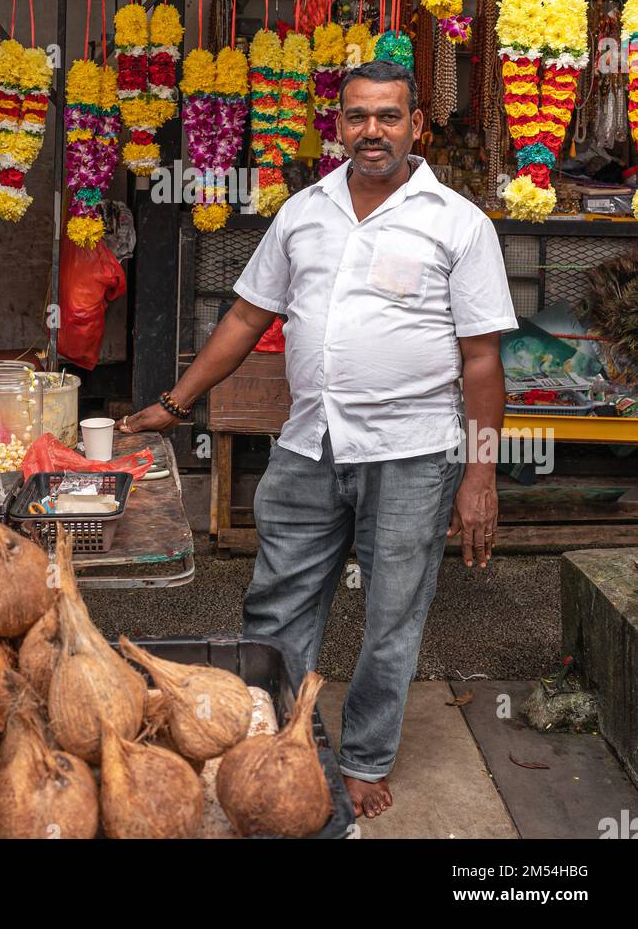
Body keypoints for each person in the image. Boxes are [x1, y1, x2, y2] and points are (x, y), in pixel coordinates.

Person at [120, 59, 517, 819]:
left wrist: (480, 476)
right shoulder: (303, 211)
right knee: (276, 606)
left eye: (389, 116)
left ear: (415, 127)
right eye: (358, 116)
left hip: (410, 452)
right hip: (308, 443)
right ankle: (282, 744)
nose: (373, 131)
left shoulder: (458, 223)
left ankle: (362, 758)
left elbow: (481, 358)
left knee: (393, 614)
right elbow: (244, 318)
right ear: (337, 125)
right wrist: (175, 403)